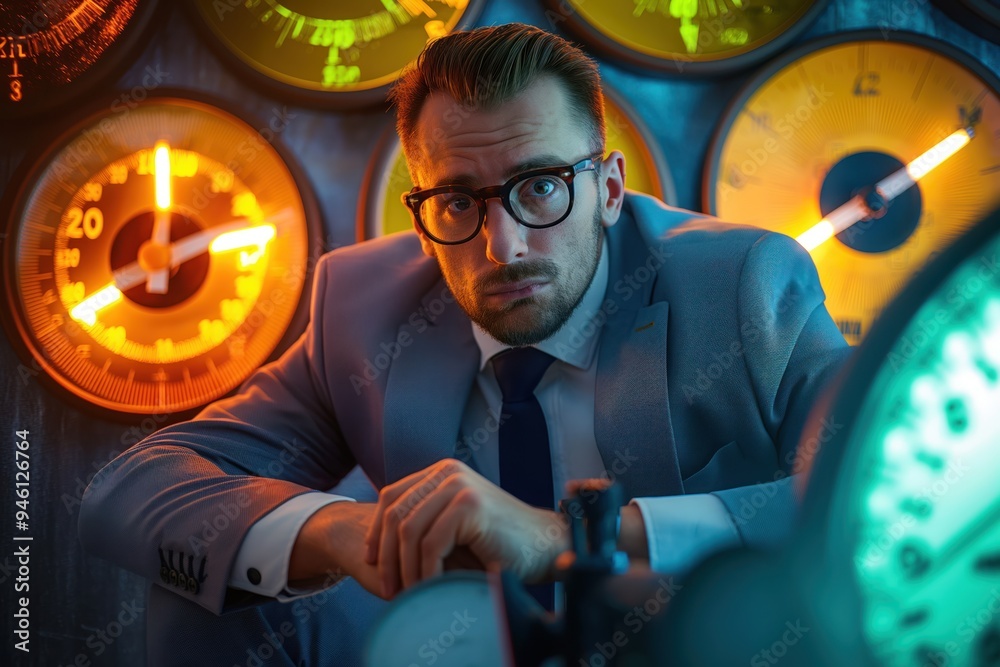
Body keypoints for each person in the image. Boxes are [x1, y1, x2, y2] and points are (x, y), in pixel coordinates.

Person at [79, 22, 852, 666]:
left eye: (541, 186)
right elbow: (132, 488)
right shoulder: (361, 311)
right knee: (217, 584)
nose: (503, 245)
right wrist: (341, 532)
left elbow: (873, 491)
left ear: (611, 189)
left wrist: (564, 539)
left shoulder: (745, 284)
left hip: (693, 647)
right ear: (420, 219)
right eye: (456, 200)